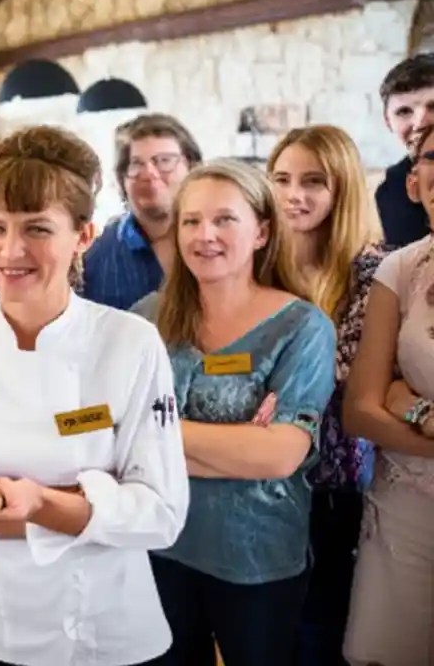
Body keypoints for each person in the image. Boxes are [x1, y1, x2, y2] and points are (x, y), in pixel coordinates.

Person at [0, 126, 189, 666]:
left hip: (112, 628)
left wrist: (31, 502)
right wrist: (92, 500)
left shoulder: (130, 343)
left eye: (37, 227)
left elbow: (161, 514)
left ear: (83, 235)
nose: (11, 251)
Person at [132, 160, 336, 666]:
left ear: (262, 231)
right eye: (191, 221)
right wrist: (237, 443)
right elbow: (95, 426)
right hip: (157, 545)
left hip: (257, 557)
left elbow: (280, 456)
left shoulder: (302, 327)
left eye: (225, 219)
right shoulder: (144, 319)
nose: (206, 235)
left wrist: (150, 434)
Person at [265, 125, 387, 666]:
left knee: (327, 632)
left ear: (342, 189)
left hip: (340, 486)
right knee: (273, 634)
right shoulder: (257, 266)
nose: (295, 194)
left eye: (314, 181)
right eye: (282, 179)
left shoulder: (374, 272)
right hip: (262, 485)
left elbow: (354, 374)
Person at [341, 123, 434, 666]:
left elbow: (387, 398)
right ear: (413, 181)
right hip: (405, 509)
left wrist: (404, 399)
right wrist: (416, 410)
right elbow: (359, 409)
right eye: (431, 157)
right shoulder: (400, 268)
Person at [83, 114, 203, 310]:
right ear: (122, 178)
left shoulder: (218, 240)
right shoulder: (95, 255)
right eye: (136, 164)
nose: (150, 174)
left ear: (191, 167)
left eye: (164, 161)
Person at [372, 53, 434, 248]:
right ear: (387, 121)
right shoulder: (389, 191)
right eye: (404, 112)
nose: (419, 124)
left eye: (433, 107)